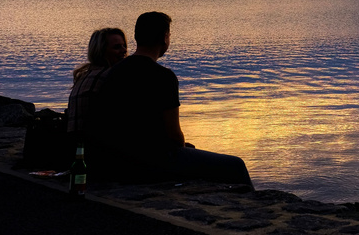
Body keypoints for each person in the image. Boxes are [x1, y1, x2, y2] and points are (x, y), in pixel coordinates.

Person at [84, 11, 251, 185]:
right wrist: (183, 146)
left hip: (117, 159)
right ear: (165, 37)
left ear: (136, 37)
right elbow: (174, 136)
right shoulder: (163, 77)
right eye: (169, 35)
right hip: (153, 161)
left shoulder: (114, 72)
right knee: (235, 165)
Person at [65, 27, 127, 140]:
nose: (124, 50)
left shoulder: (85, 76)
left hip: (76, 142)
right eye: (117, 47)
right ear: (101, 51)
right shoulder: (109, 76)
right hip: (94, 144)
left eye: (124, 46)